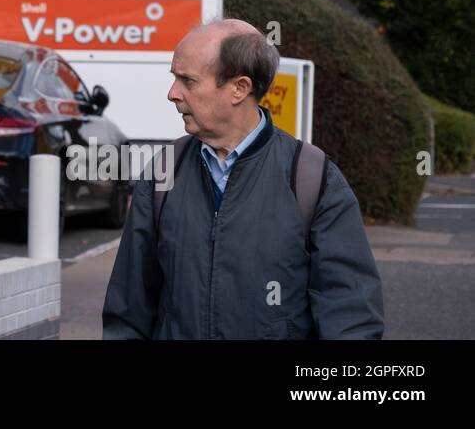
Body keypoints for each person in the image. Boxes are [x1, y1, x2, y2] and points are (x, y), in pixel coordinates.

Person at [103, 18, 384, 339]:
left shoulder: (312, 177)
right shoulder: (163, 172)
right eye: (174, 78)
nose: (172, 93)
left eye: (188, 81)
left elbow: (350, 315)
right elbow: (128, 310)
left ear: (240, 88)